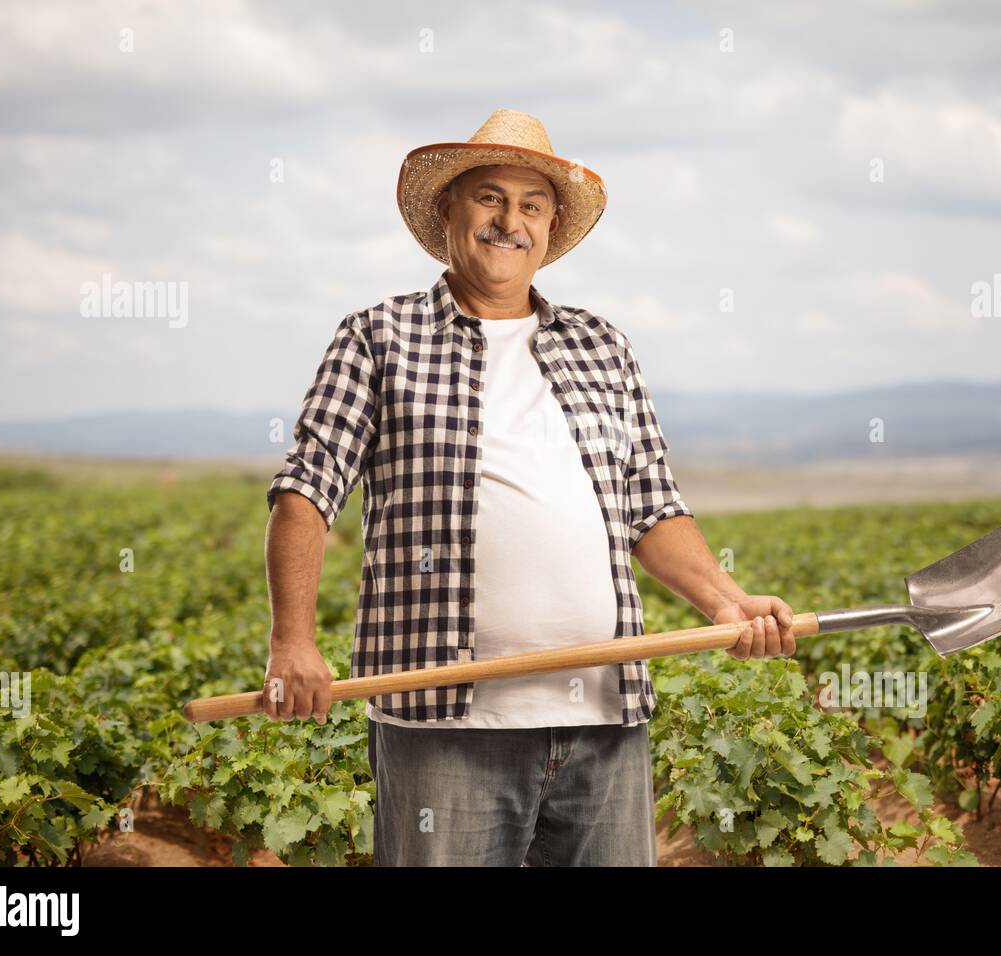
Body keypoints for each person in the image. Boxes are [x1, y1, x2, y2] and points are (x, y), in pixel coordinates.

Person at [262, 108, 797, 866]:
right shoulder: (379, 338)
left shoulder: (601, 344)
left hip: (604, 722)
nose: (509, 220)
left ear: (548, 228)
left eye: (531, 205)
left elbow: (651, 503)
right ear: (448, 209)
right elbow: (306, 490)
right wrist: (293, 640)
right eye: (488, 197)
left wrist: (726, 601)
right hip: (444, 725)